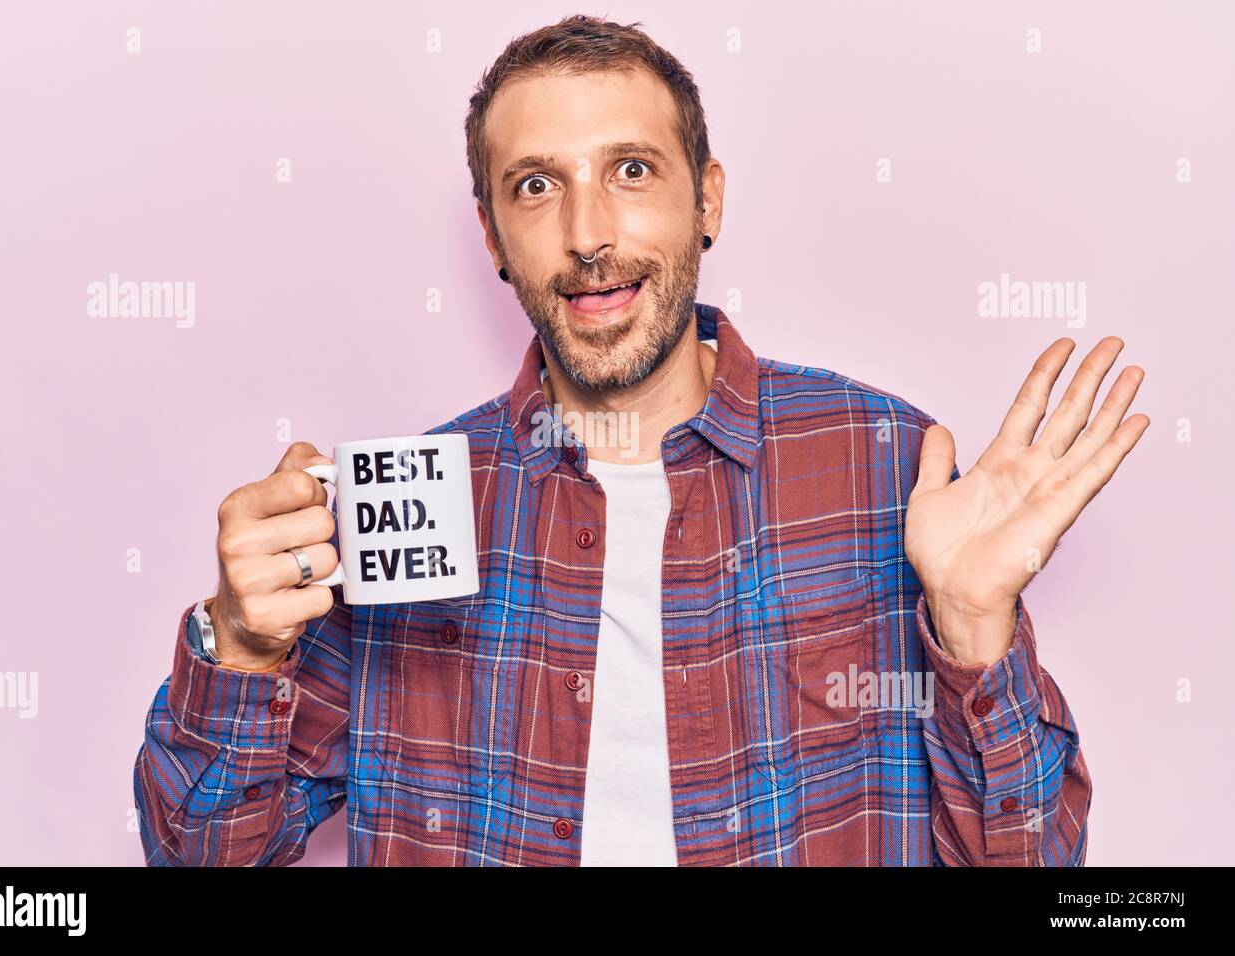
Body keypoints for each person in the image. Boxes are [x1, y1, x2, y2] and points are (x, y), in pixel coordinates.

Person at [133, 14, 1147, 866]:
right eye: (535, 185)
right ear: (490, 234)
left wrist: (973, 627)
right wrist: (244, 647)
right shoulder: (396, 512)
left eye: (629, 169)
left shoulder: (883, 463)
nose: (586, 232)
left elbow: (1034, 862)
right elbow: (204, 849)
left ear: (704, 197)